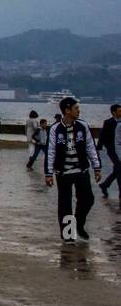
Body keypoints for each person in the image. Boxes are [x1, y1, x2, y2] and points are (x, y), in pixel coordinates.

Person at [45, 97, 102, 241]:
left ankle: (79, 224)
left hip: (81, 170)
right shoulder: (55, 129)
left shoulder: (83, 126)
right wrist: (48, 173)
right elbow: (50, 151)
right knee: (65, 205)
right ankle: (68, 236)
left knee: (88, 199)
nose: (79, 110)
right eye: (76, 108)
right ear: (67, 111)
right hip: (63, 173)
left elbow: (91, 147)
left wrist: (97, 167)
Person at [99, 104, 121, 197]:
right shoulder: (108, 122)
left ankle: (105, 184)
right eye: (119, 111)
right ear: (114, 112)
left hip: (119, 149)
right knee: (119, 169)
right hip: (112, 150)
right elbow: (102, 136)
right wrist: (99, 148)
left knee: (117, 170)